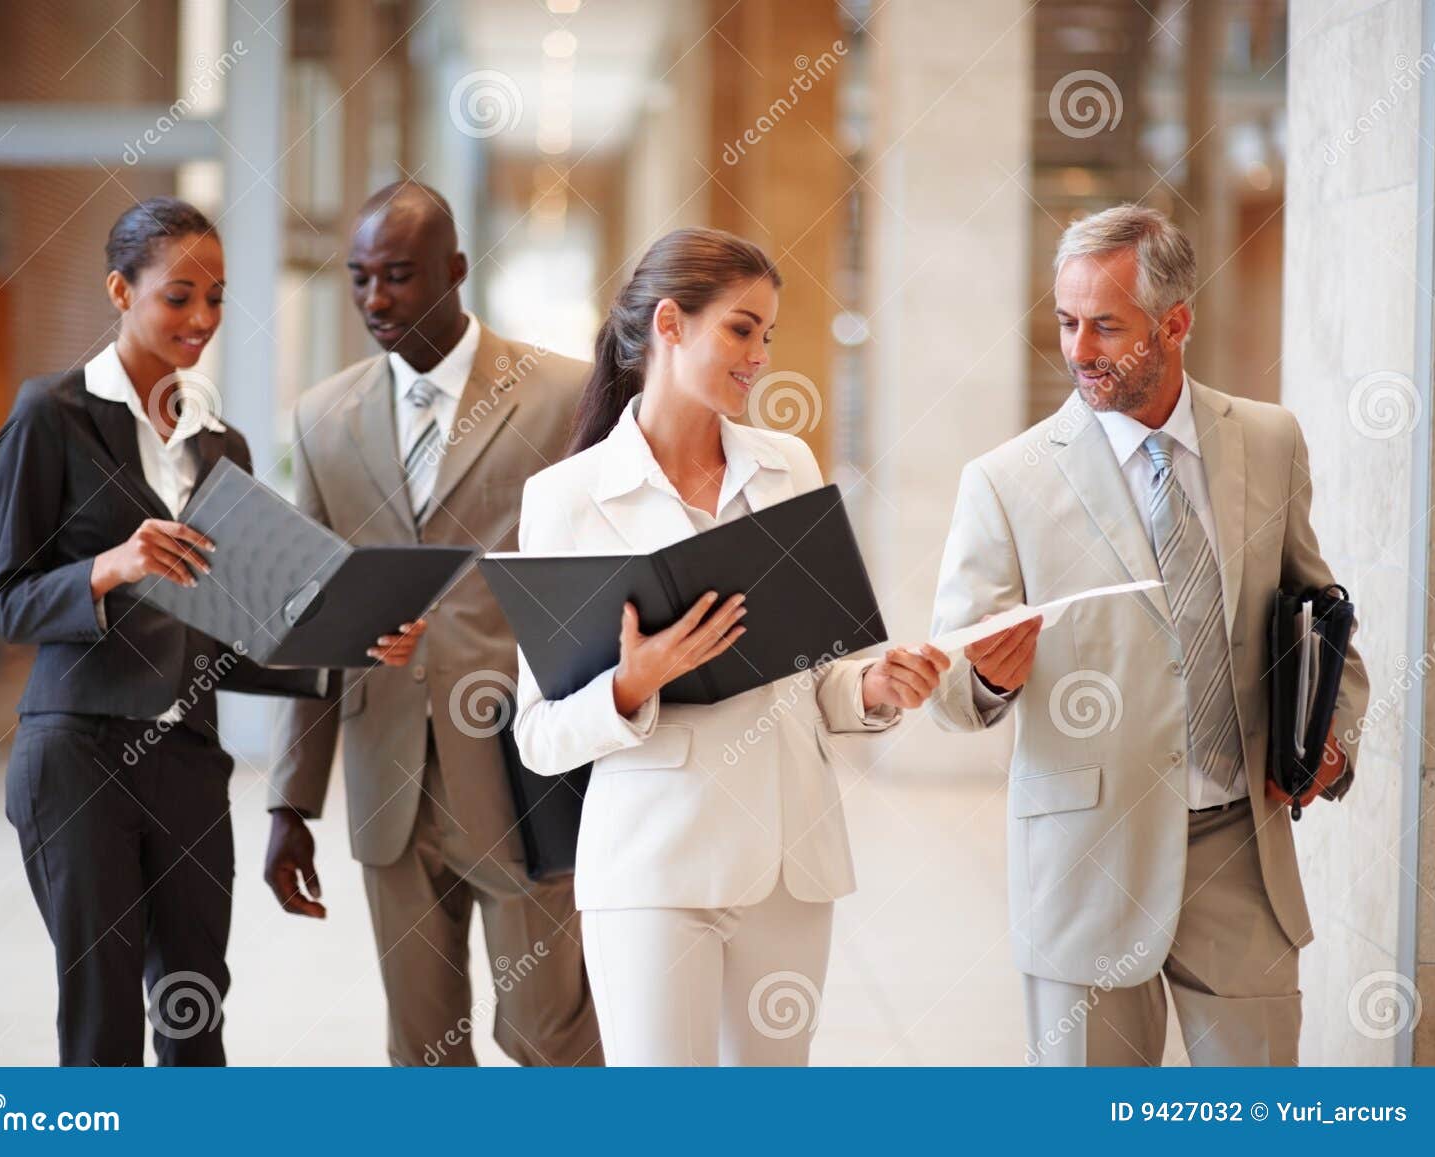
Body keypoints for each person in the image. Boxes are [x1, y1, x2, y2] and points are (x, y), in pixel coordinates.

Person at [927, 204, 1370, 1066]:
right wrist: (984, 678)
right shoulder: (1005, 481)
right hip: (1087, 864)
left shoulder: (1270, 442)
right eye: (1065, 322)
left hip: (1242, 849)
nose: (1080, 350)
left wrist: (1333, 741)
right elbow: (950, 680)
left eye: (1106, 325)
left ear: (1176, 323)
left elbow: (1323, 615)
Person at [0, 198, 418, 1065]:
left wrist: (347, 643)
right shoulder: (50, 415)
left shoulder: (222, 446)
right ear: (120, 289)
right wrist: (113, 565)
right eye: (179, 295)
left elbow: (232, 633)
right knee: (102, 1021)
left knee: (195, 1014)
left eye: (216, 297)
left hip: (185, 758)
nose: (202, 319)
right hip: (78, 751)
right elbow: (6, 604)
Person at [510, 226, 949, 1066]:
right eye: (741, 330)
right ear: (670, 325)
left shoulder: (786, 465)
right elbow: (538, 734)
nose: (759, 356)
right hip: (653, 868)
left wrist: (875, 688)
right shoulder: (566, 498)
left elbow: (821, 675)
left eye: (768, 336)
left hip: (790, 863)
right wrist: (632, 683)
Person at [265, 181, 601, 1067]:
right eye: (360, 278)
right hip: (389, 782)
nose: (376, 299)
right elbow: (314, 612)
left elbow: (602, 583)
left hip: (525, 770)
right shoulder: (324, 418)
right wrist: (291, 800)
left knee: (552, 1034)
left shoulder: (561, 395)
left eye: (400, 276)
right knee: (420, 1048)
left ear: (455, 271)